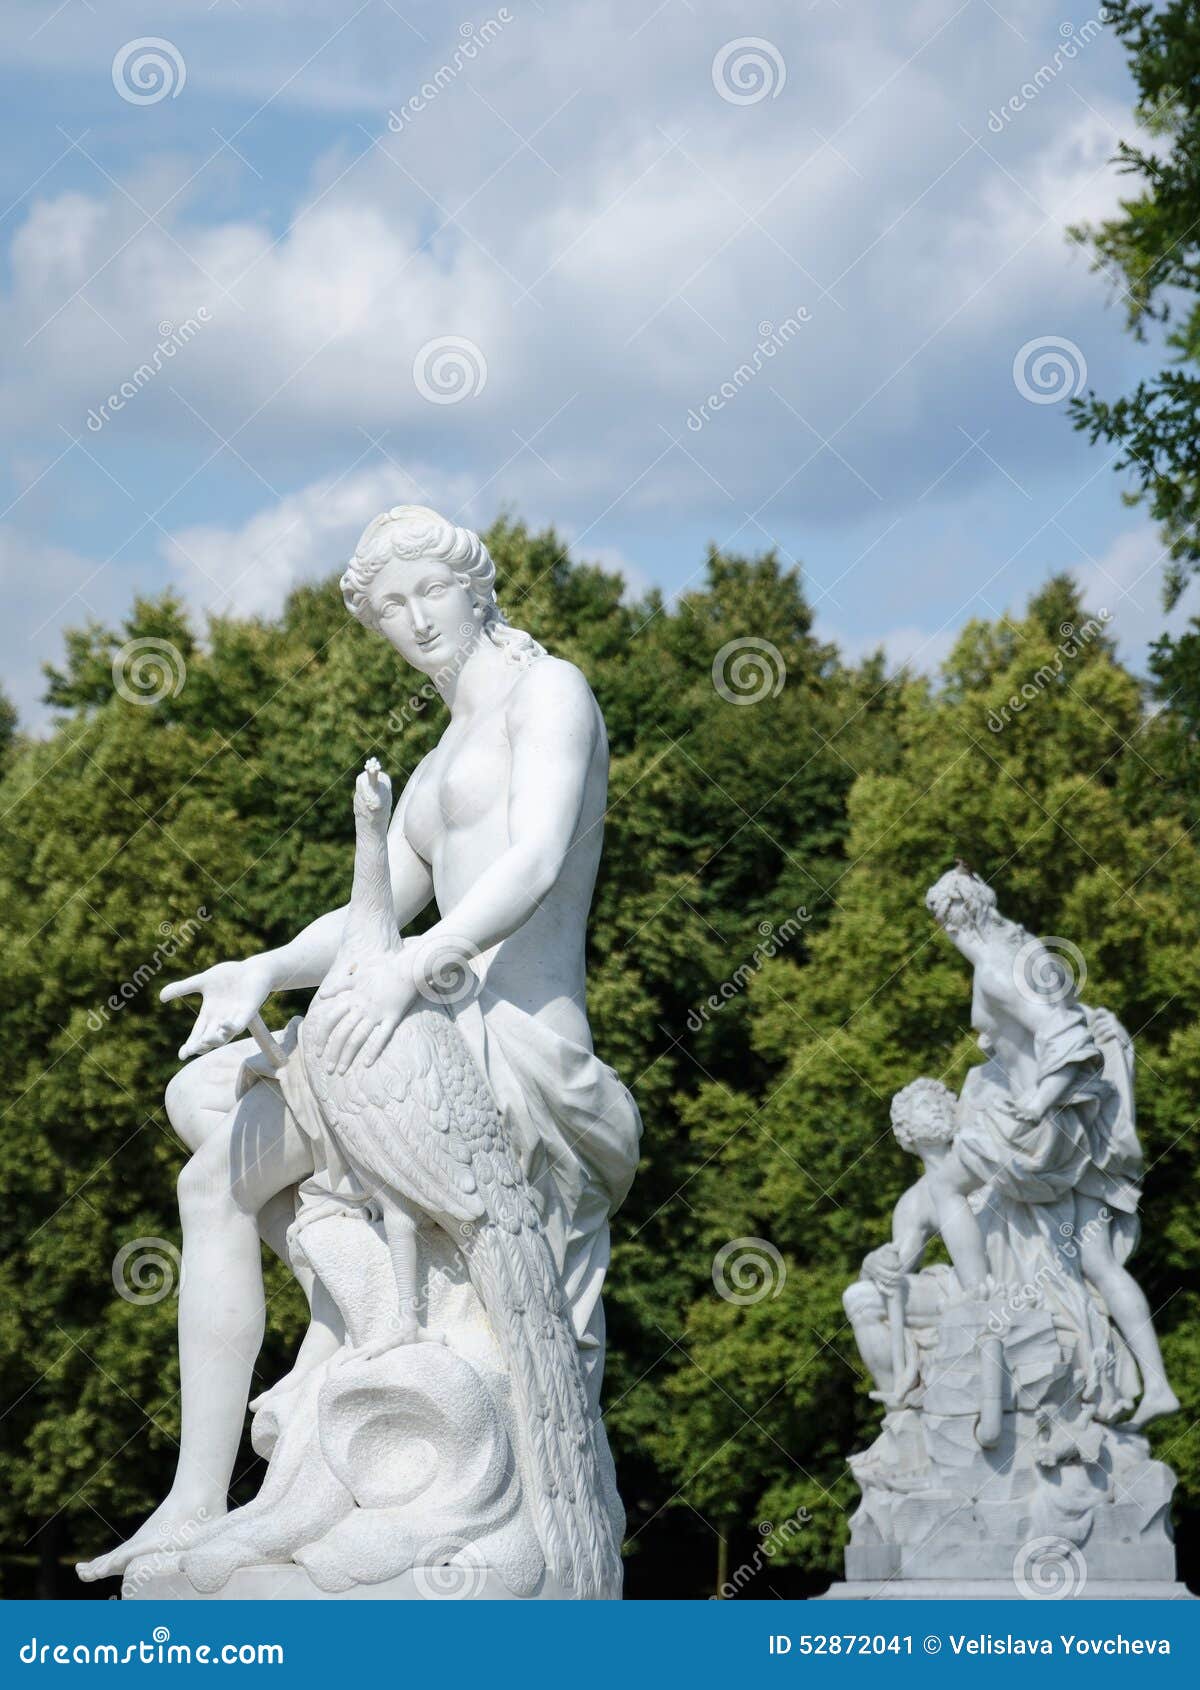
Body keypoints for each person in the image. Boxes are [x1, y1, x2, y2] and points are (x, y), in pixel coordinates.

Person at [79, 505, 642, 1581]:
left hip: (505, 1046)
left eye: (428, 589)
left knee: (214, 1178)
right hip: (412, 1026)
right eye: (389, 608)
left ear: (477, 585)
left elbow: (532, 859)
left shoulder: (548, 691)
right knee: (200, 1099)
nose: (414, 618)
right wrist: (265, 968)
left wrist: (419, 961)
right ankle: (210, 1483)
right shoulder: (432, 768)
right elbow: (364, 912)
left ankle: (294, 1412)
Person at [917, 864, 1178, 1429]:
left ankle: (977, 1293)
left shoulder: (992, 968)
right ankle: (1157, 1385)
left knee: (943, 1180)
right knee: (1097, 1261)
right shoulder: (1023, 948)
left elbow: (1066, 1034)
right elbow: (1069, 1019)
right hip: (1073, 1128)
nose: (943, 931)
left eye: (942, 919)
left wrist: (1037, 1102)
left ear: (961, 915)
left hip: (1038, 1131)